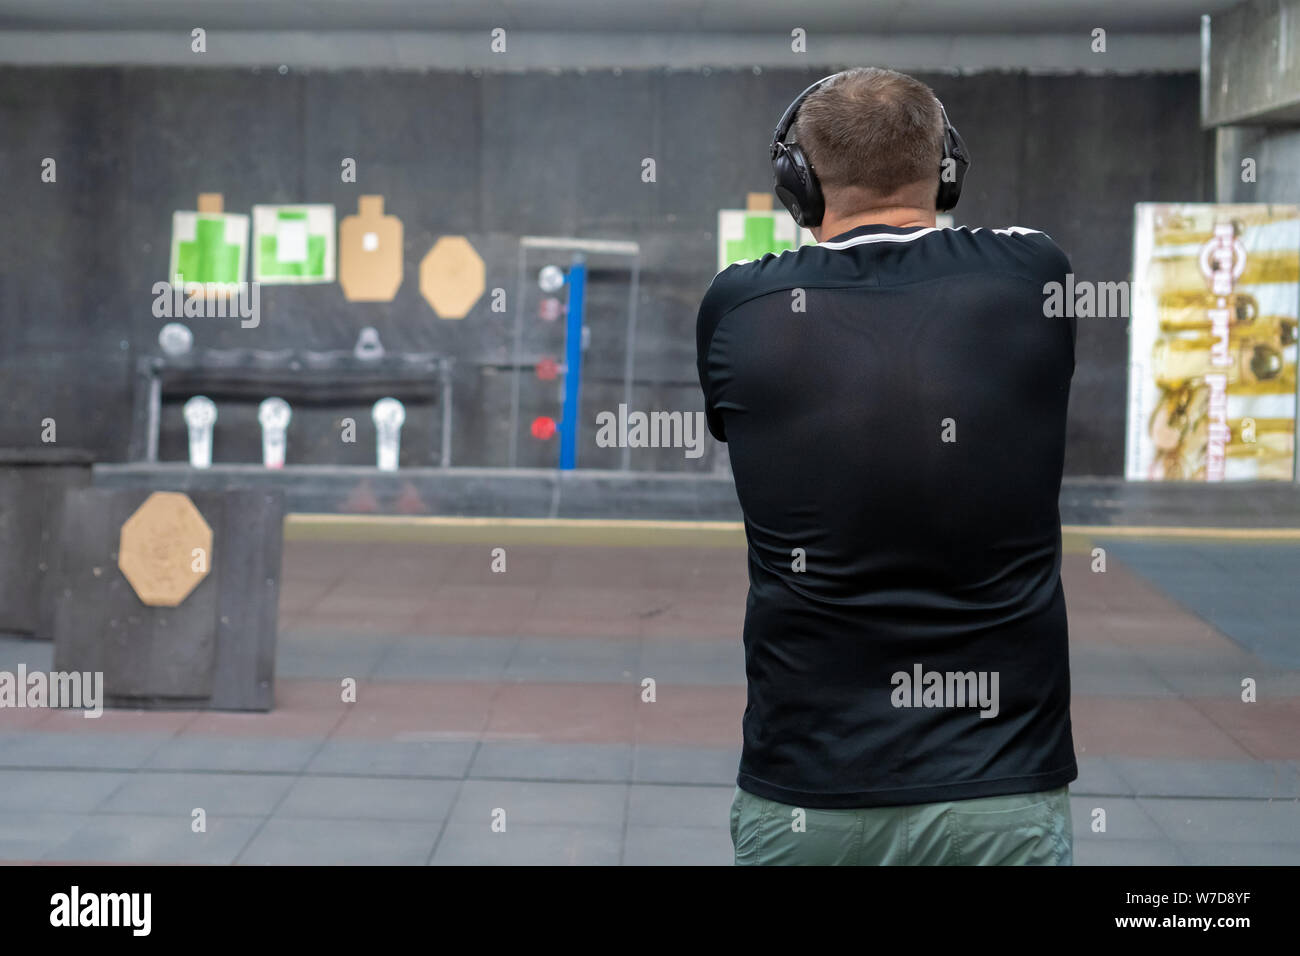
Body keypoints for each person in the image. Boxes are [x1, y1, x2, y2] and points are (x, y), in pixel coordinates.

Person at [695, 67, 1078, 865]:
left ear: (797, 184)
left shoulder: (739, 306)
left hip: (807, 797)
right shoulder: (1035, 276)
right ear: (948, 170)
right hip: (999, 790)